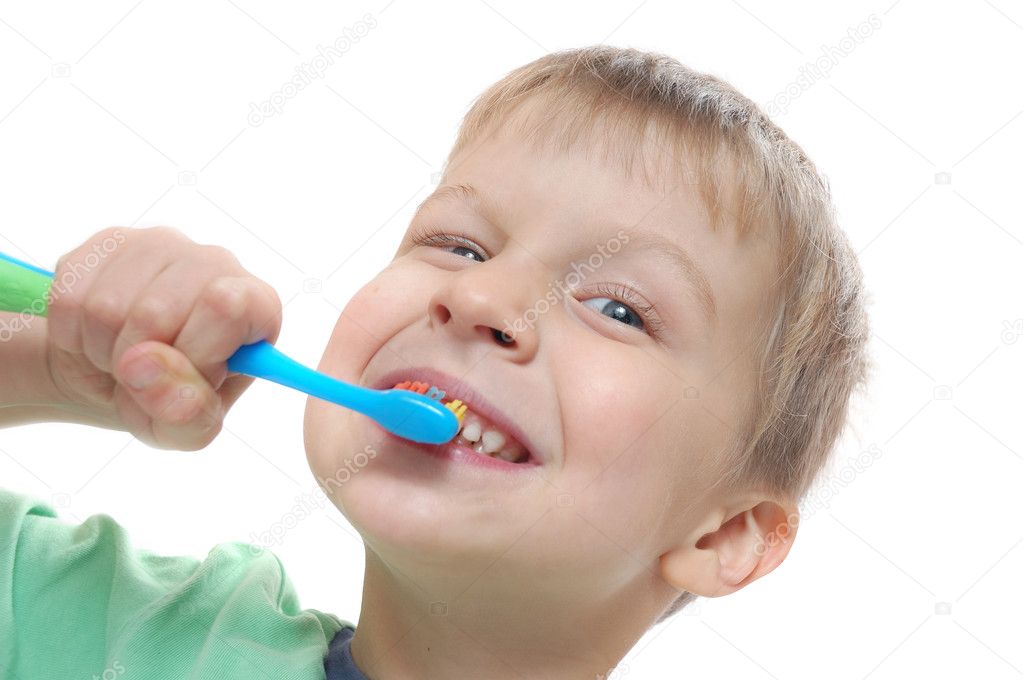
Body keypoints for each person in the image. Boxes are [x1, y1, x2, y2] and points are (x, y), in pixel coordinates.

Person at [0, 45, 871, 678]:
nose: (485, 298)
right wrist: (49, 368)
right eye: (457, 244)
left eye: (617, 309)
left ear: (722, 536)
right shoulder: (129, 639)